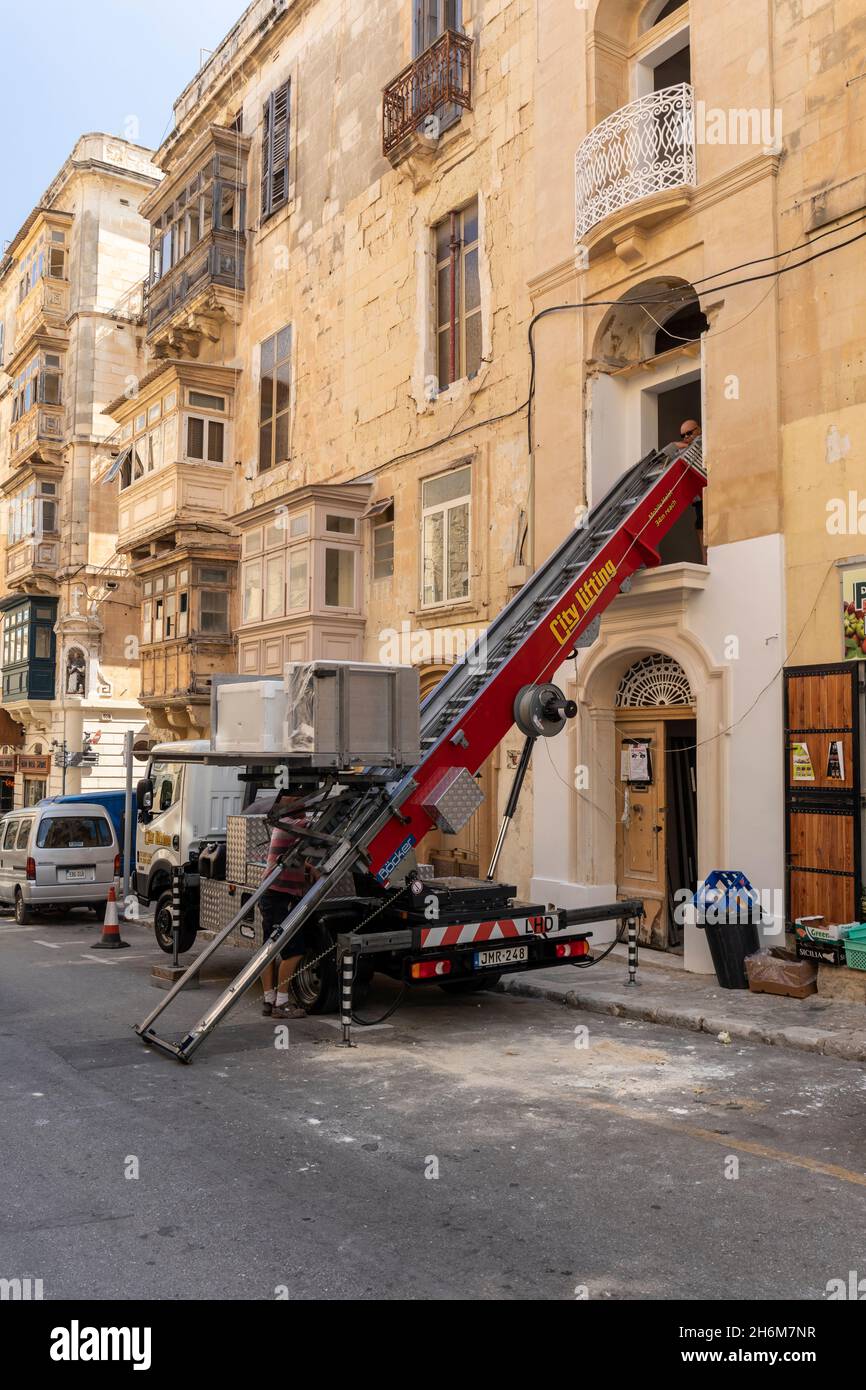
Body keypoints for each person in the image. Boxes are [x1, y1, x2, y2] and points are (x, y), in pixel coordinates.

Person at [257, 793, 311, 1020]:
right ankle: (282, 1003)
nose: (306, 807)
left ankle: (269, 1000)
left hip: (271, 896)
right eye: (301, 803)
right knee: (294, 950)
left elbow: (300, 859)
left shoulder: (285, 826)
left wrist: (310, 869)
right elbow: (320, 827)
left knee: (269, 949)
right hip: (278, 897)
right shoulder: (294, 826)